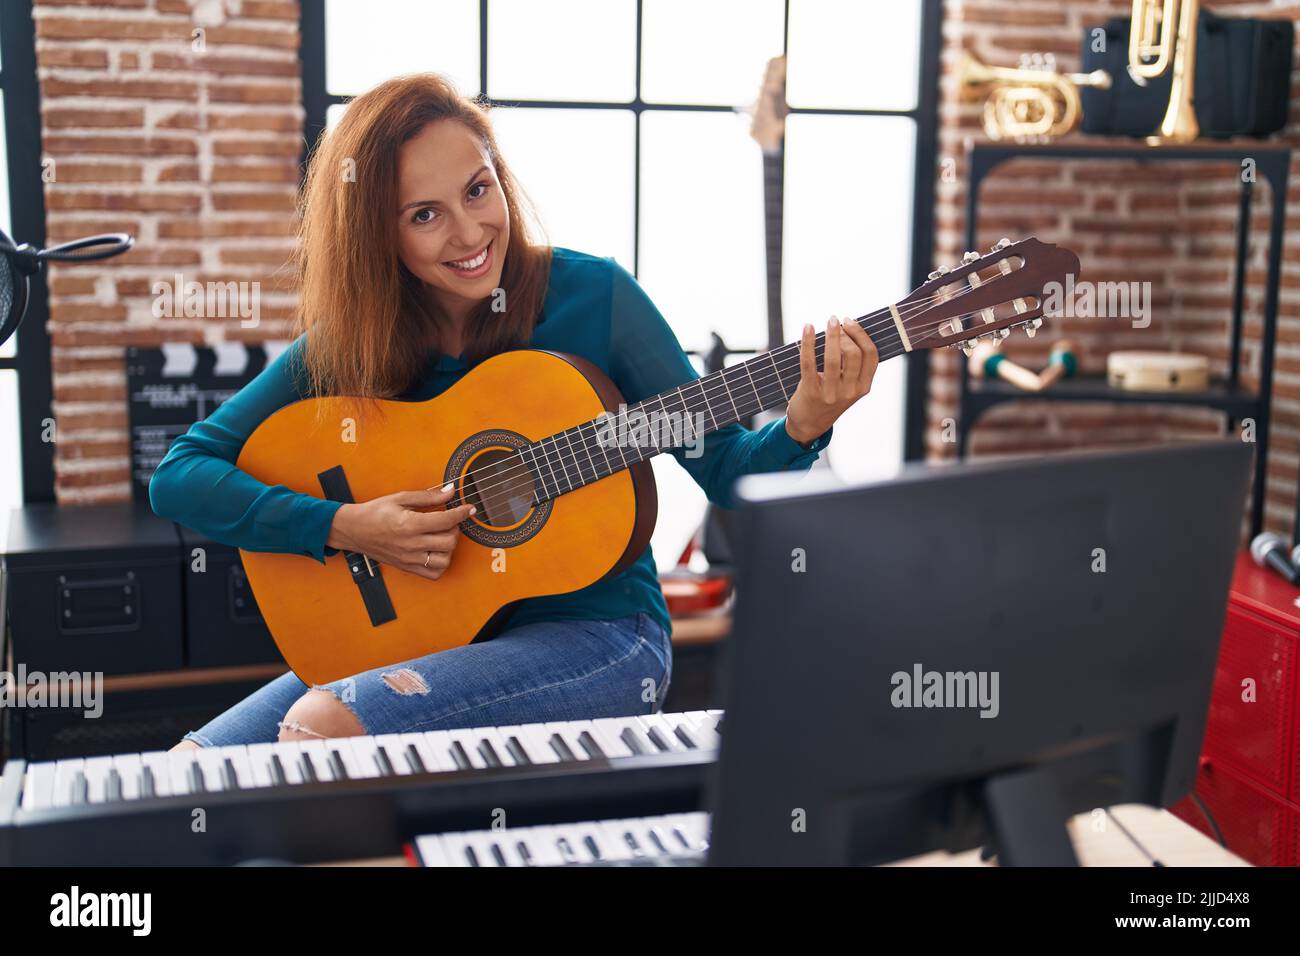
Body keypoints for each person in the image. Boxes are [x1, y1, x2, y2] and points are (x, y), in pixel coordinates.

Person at [150, 73, 878, 751]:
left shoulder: (596, 299)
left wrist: (805, 422)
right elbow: (179, 475)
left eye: (478, 189)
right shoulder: (353, 339)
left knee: (319, 729)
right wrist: (346, 526)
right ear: (380, 235)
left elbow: (726, 472)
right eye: (425, 214)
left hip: (603, 638)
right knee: (186, 777)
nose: (468, 234)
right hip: (424, 640)